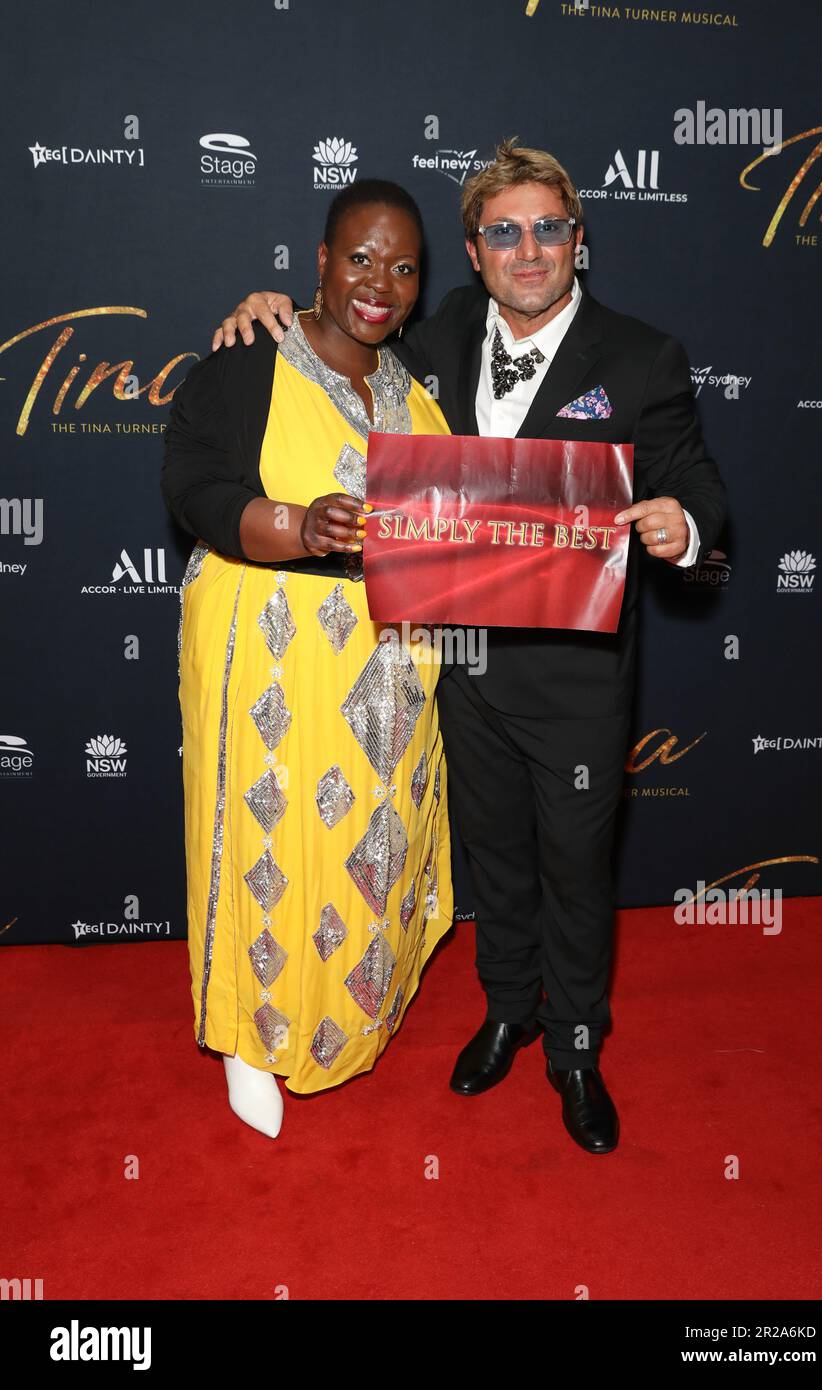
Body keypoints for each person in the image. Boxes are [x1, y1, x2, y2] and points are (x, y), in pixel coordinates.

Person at [212, 139, 726, 1154]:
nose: (526, 250)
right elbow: (341, 333)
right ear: (473, 253)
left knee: (575, 866)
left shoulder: (640, 356)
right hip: (454, 665)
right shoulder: (437, 333)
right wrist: (264, 308)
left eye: (546, 229)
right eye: (503, 232)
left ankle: (573, 1048)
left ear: (580, 243)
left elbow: (697, 483)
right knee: (491, 854)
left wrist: (684, 526)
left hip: (575, 676)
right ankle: (506, 1010)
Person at [161, 180, 454, 1139]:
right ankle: (250, 1036)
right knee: (265, 839)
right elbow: (195, 490)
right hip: (271, 659)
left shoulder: (417, 394)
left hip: (387, 663)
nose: (381, 283)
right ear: (319, 263)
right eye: (361, 258)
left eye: (403, 267)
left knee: (362, 841)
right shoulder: (251, 361)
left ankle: (355, 1006)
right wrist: (299, 525)